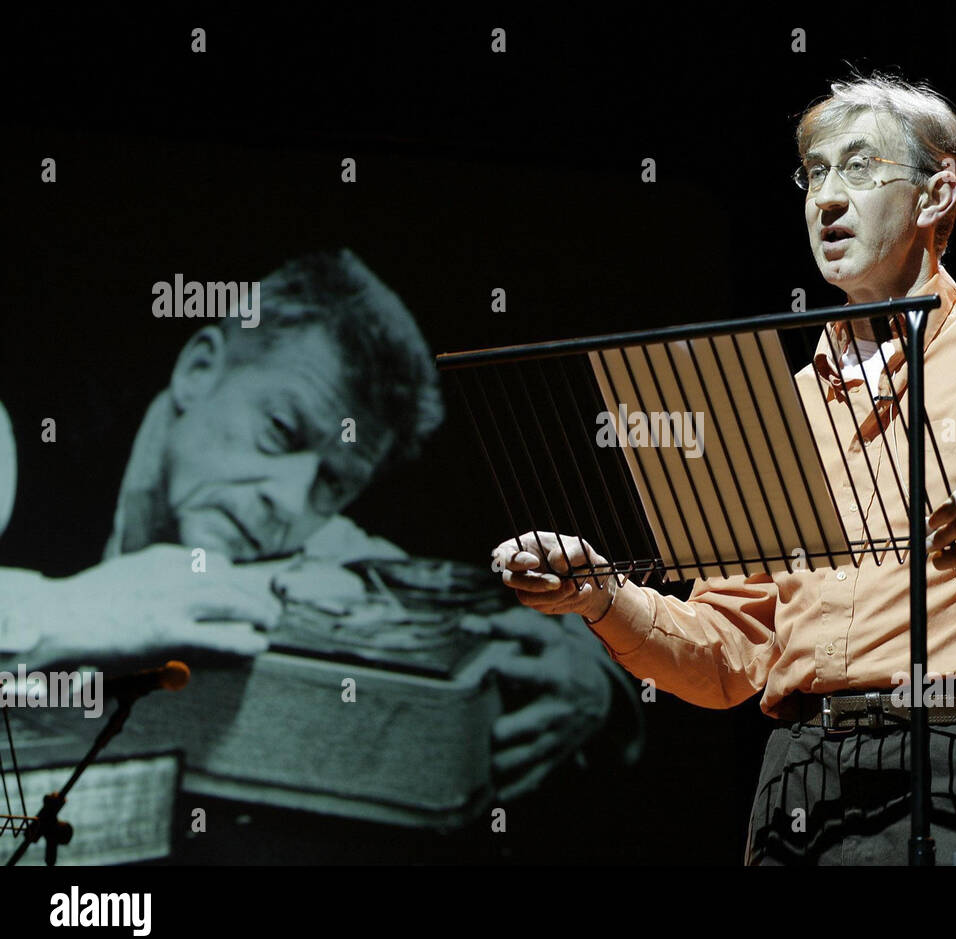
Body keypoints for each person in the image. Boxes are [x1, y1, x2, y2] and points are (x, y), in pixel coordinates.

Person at [491, 71, 956, 865]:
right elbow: (724, 658)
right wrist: (599, 595)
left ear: (937, 192)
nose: (826, 199)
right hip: (804, 781)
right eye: (813, 172)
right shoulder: (764, 411)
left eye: (858, 168)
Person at [0, 249, 638, 804]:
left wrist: (599, 680)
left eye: (332, 482)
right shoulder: (17, 445)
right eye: (279, 431)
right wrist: (60, 611)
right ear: (199, 370)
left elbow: (481, 604)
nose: (289, 501)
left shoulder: (309, 541)